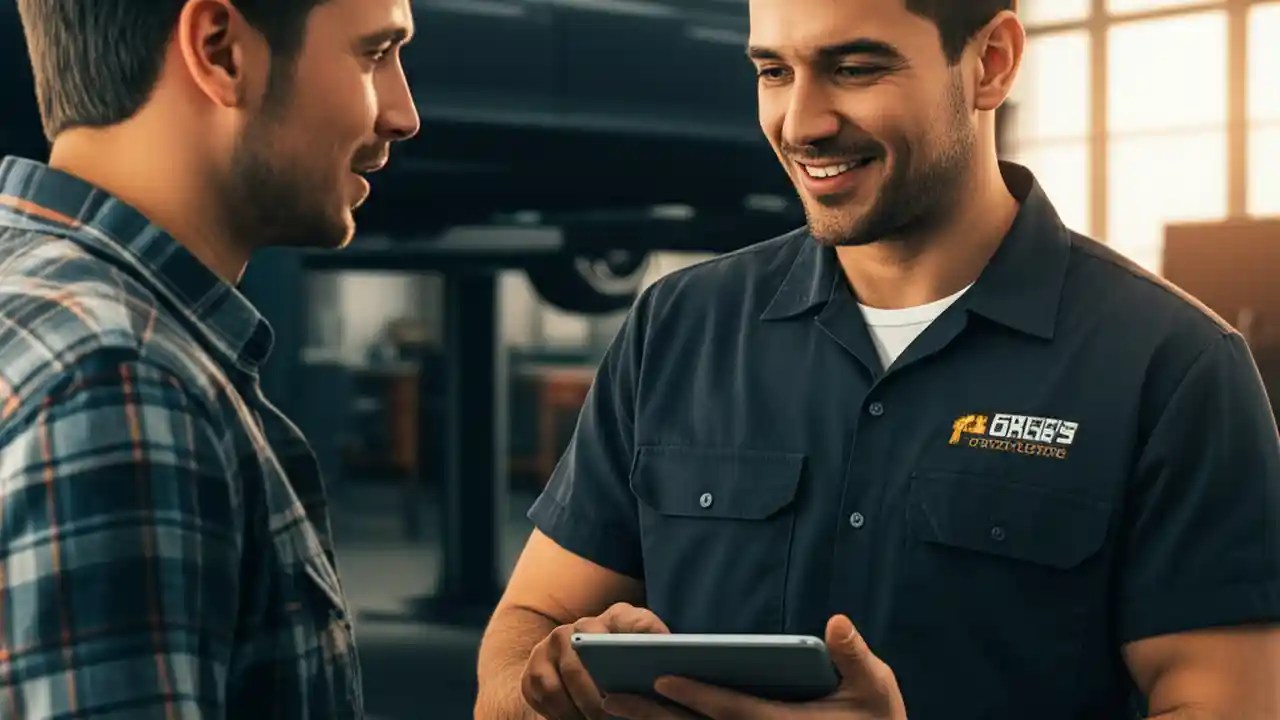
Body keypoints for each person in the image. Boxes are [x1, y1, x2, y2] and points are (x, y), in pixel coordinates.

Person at [474, 0, 1280, 718]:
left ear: (991, 63)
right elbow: (524, 635)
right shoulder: (678, 327)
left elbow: (1227, 699)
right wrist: (545, 692)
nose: (801, 122)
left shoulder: (1172, 368)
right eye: (773, 71)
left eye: (854, 68)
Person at [0, 0, 418, 716]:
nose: (402, 114)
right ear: (220, 49)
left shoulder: (34, 304)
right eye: (374, 54)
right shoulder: (121, 383)